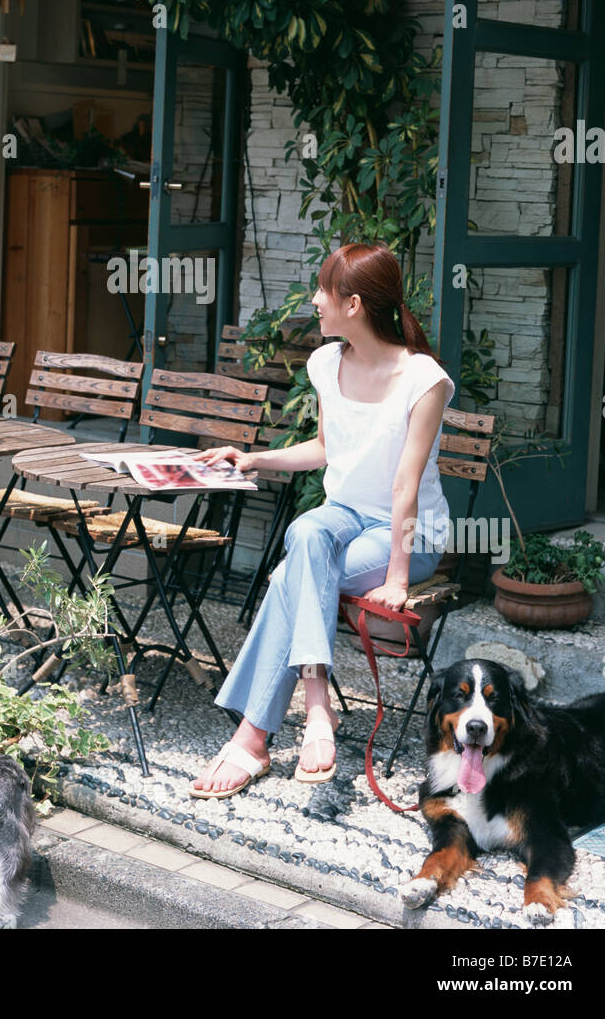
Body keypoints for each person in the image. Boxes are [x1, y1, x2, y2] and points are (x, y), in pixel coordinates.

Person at [189, 242, 455, 799]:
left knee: (293, 574)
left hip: (404, 534)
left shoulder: (423, 380)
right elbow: (329, 448)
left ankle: (255, 737)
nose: (314, 301)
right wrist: (254, 458)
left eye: (323, 291)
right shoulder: (326, 363)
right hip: (341, 521)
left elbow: (405, 484)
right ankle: (314, 710)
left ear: (353, 304)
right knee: (307, 530)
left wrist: (400, 578)